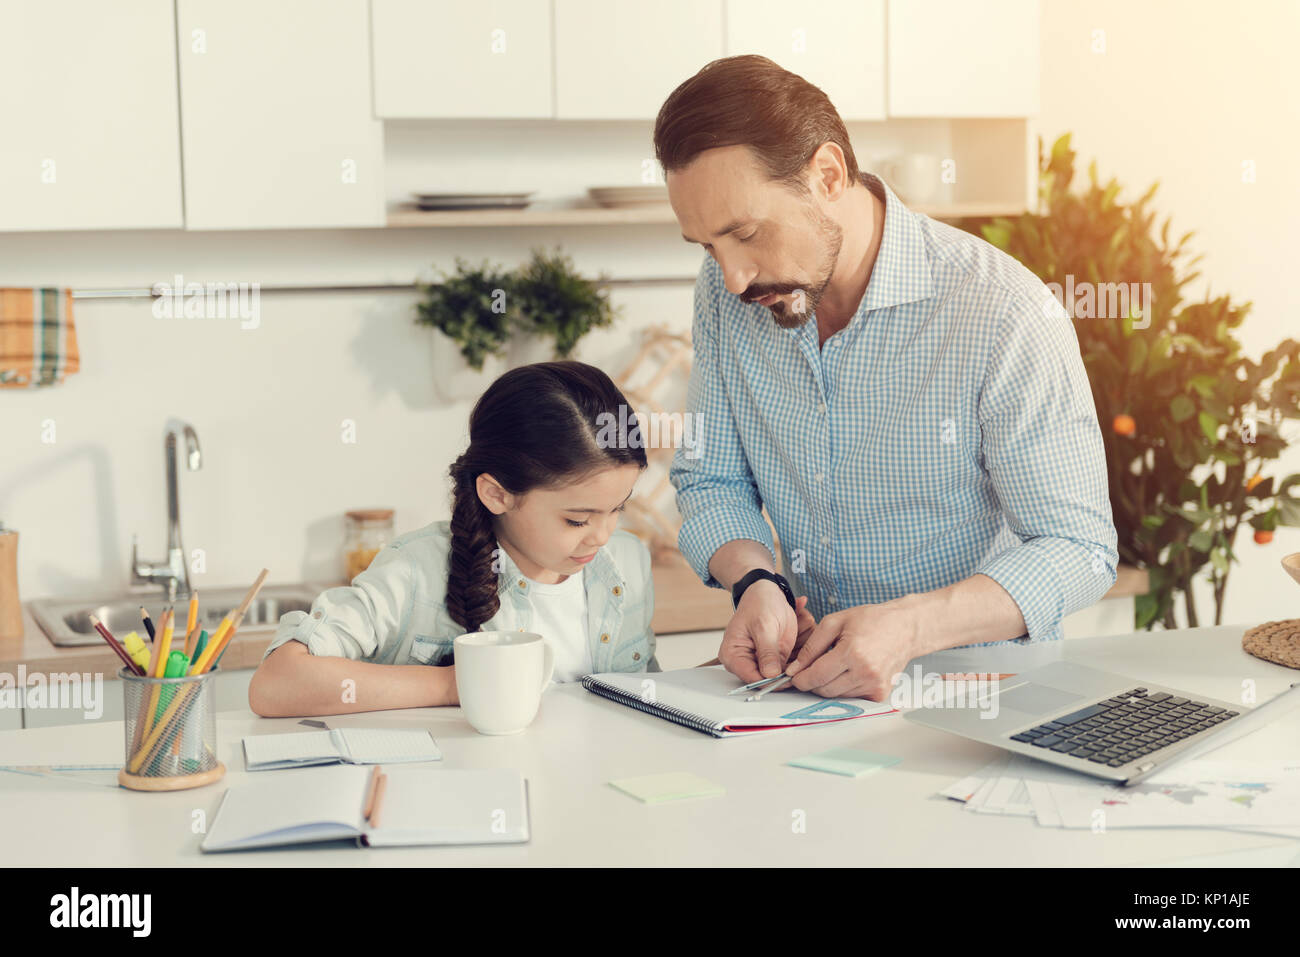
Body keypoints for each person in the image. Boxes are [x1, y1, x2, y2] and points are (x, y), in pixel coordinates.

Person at [656, 56, 1119, 701]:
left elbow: (1078, 548)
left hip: (977, 695)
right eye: (708, 247)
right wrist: (759, 583)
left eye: (746, 234)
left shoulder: (1002, 311)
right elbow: (712, 480)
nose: (733, 276)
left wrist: (907, 628)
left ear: (827, 174)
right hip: (806, 694)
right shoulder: (726, 298)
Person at [249, 360, 657, 717]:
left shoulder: (628, 562)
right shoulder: (415, 571)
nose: (603, 536)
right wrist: (448, 686)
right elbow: (275, 684)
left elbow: (645, 699)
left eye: (618, 508)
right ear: (497, 494)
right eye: (577, 521)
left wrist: (714, 670)